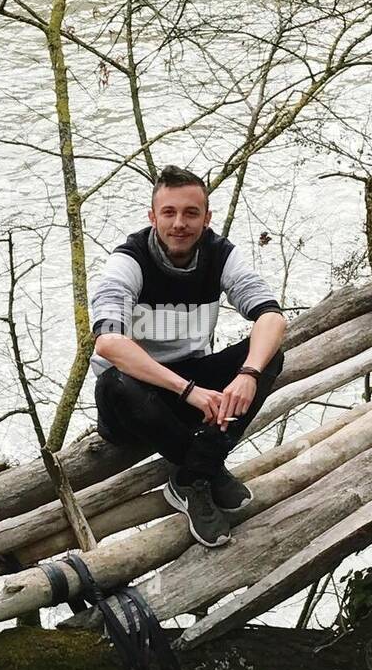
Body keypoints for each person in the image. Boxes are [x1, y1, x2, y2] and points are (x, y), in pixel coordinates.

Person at [89, 165, 287, 547]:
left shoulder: (220, 255)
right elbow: (108, 344)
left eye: (191, 213)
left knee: (268, 355)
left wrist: (247, 372)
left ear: (206, 218)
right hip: (136, 397)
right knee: (115, 381)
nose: (179, 223)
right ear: (152, 217)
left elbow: (272, 317)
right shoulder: (128, 262)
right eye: (169, 213)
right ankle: (208, 470)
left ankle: (192, 476)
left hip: (191, 383)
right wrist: (189, 391)